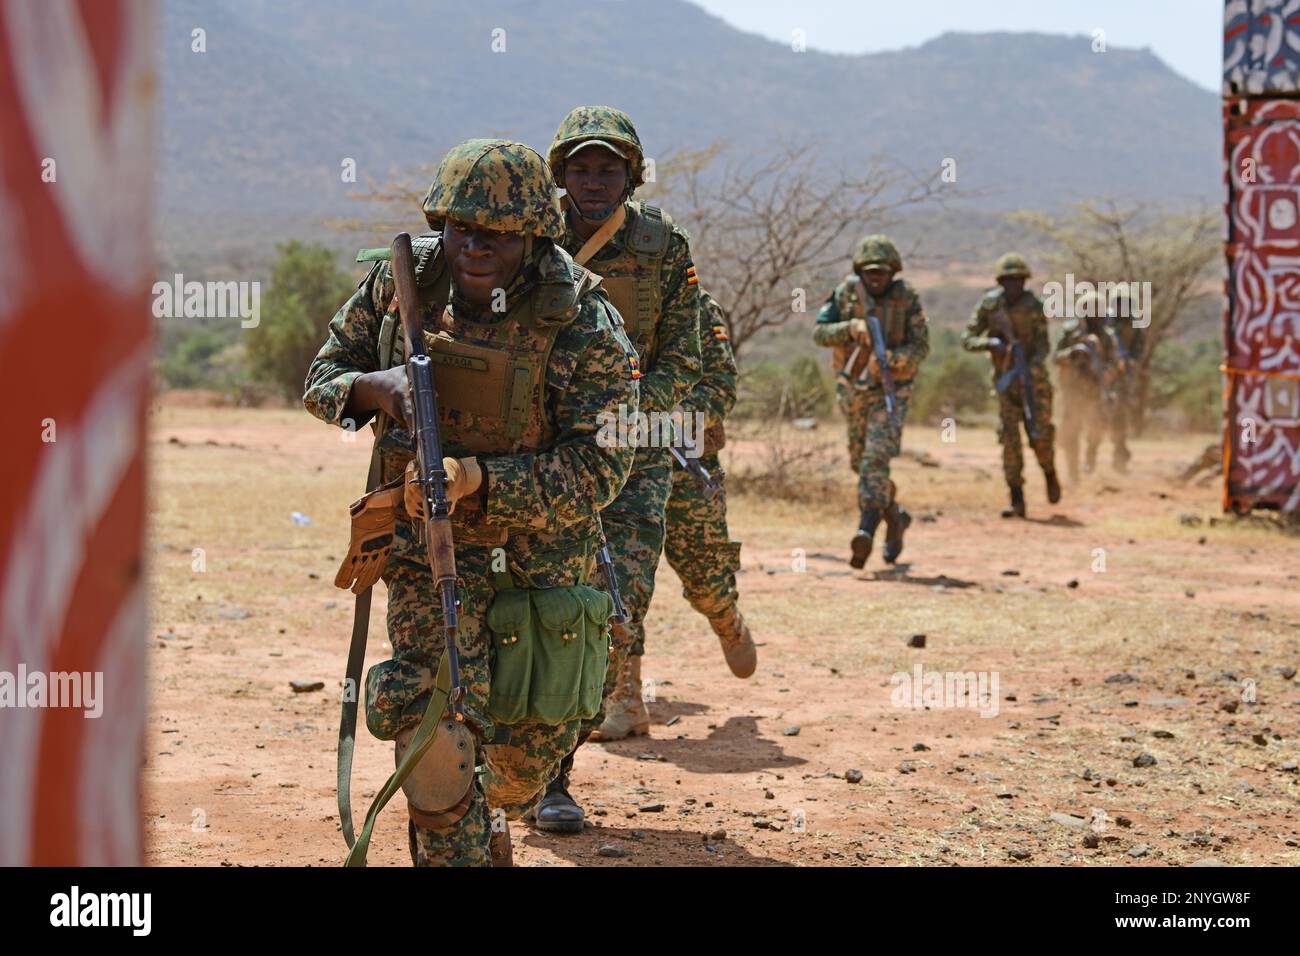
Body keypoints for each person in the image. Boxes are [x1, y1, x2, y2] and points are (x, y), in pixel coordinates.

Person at [303, 139, 638, 866]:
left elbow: (601, 468)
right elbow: (323, 375)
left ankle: (500, 809)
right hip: (425, 553)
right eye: (461, 229)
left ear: (534, 234)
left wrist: (478, 480)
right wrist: (372, 388)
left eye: (497, 233)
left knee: (524, 757)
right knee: (438, 742)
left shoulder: (580, 319)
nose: (474, 246)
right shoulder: (401, 285)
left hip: (540, 568)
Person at [529, 105, 702, 834]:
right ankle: (536, 775)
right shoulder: (527, 238)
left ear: (631, 173)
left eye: (607, 167)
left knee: (611, 615)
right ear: (559, 173)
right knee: (534, 610)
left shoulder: (664, 246)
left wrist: (627, 414)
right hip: (543, 458)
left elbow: (685, 355)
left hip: (633, 464)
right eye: (579, 166)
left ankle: (556, 772)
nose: (593, 179)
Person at [813, 234, 930, 567]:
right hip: (853, 391)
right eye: (869, 271)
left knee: (875, 460)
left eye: (882, 272)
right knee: (860, 464)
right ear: (860, 271)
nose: (875, 277)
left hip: (891, 392)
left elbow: (921, 348)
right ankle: (895, 517)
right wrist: (850, 328)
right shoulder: (846, 293)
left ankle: (865, 531)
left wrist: (891, 359)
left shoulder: (907, 298)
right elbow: (819, 333)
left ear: (893, 272)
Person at [661, 288, 757, 677]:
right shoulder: (594, 296)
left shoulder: (694, 305)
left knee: (704, 576)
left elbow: (721, 385)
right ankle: (625, 696)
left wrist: (669, 422)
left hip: (687, 460)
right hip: (619, 461)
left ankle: (725, 620)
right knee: (618, 578)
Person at [962, 252, 1060, 518]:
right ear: (1000, 282)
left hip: (1034, 384)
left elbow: (1043, 346)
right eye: (1008, 280)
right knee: (1010, 441)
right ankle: (1017, 499)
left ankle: (1050, 473)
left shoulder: (1035, 306)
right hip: (1006, 387)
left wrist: (1030, 369)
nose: (1014, 285)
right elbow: (967, 338)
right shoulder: (990, 306)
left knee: (1040, 437)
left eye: (1019, 280)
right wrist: (991, 344)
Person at [1053, 289, 1120, 482]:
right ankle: (1073, 472)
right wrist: (1073, 353)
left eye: (1098, 313)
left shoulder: (1107, 337)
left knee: (1097, 428)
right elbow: (1056, 357)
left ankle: (1091, 455)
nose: (1095, 317)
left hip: (1096, 390)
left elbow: (1114, 362)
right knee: (1071, 432)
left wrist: (1105, 374)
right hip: (1073, 390)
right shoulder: (1069, 332)